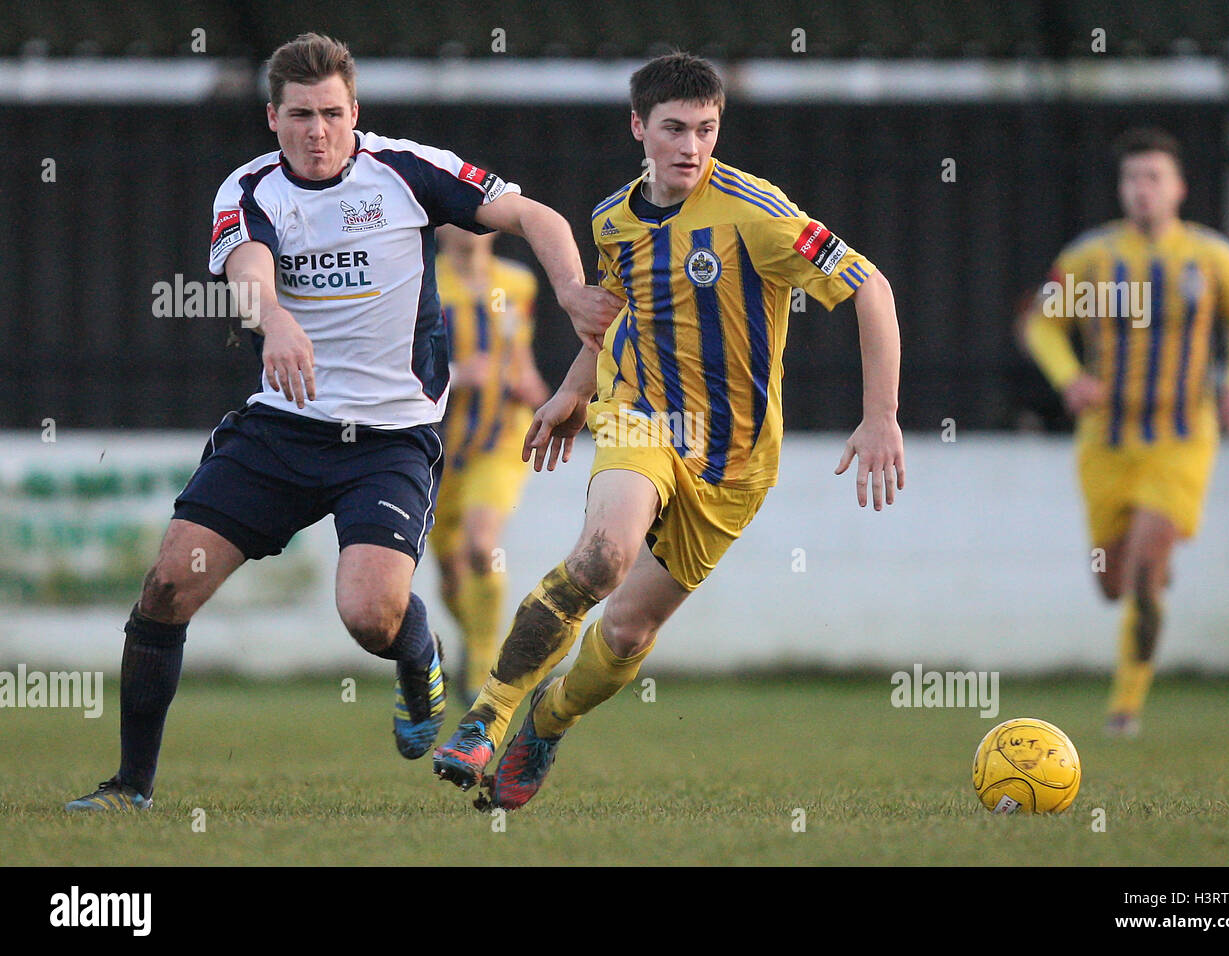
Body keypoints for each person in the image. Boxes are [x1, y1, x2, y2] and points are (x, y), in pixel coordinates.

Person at [65, 32, 617, 811]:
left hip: (390, 441)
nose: (317, 132)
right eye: (300, 115)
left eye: (331, 114)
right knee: (166, 586)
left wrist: (567, 290)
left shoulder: (407, 170)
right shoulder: (250, 189)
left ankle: (417, 653)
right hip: (281, 429)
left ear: (354, 112)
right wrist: (274, 321)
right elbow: (248, 271)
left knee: (368, 615)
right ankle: (130, 787)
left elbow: (536, 216)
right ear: (273, 118)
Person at [431, 52, 905, 810]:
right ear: (638, 128)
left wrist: (880, 416)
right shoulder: (611, 220)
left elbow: (870, 287)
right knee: (602, 557)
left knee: (625, 634)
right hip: (641, 417)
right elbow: (617, 315)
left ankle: (547, 722)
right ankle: (486, 715)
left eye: (706, 130)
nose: (691, 146)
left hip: (735, 461)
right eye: (675, 129)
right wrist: (573, 392)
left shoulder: (758, 213)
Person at [1022, 128, 1229, 737]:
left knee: (1143, 570)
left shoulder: (1215, 258)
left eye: (1154, 177)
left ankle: (1124, 708)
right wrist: (1070, 378)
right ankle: (1145, 569)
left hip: (1182, 437)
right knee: (1112, 584)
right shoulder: (1090, 258)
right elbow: (1041, 325)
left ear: (1179, 188)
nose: (1142, 189)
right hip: (1105, 441)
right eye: (1132, 178)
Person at [428, 225, 549, 703]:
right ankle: (484, 644)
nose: (469, 225)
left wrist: (533, 386)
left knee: (481, 545)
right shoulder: (422, 282)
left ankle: (482, 670)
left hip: (502, 436)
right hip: (439, 446)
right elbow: (399, 361)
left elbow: (519, 352)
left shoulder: (517, 283)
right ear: (439, 225)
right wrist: (457, 375)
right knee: (451, 573)